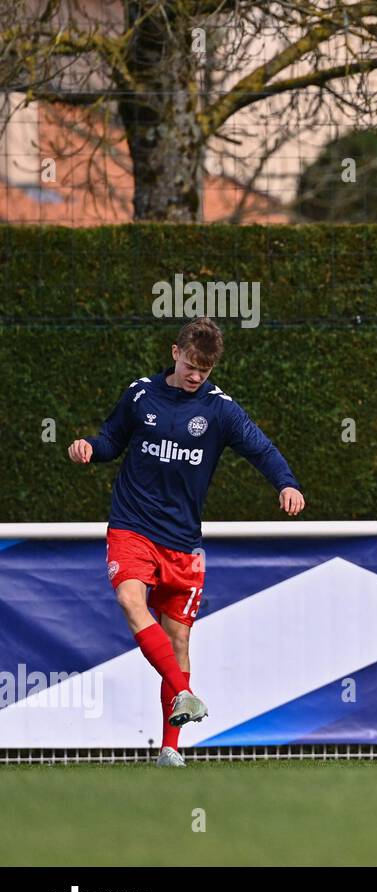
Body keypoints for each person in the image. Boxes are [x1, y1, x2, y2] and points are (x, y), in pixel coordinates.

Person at [68, 318, 305, 766]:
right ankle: (185, 692)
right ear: (175, 352)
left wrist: (285, 483)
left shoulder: (221, 410)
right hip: (132, 527)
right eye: (192, 365)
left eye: (206, 369)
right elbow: (111, 441)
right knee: (130, 600)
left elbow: (262, 449)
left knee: (179, 641)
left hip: (183, 543)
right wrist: (88, 447)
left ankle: (170, 750)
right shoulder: (140, 394)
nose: (197, 375)